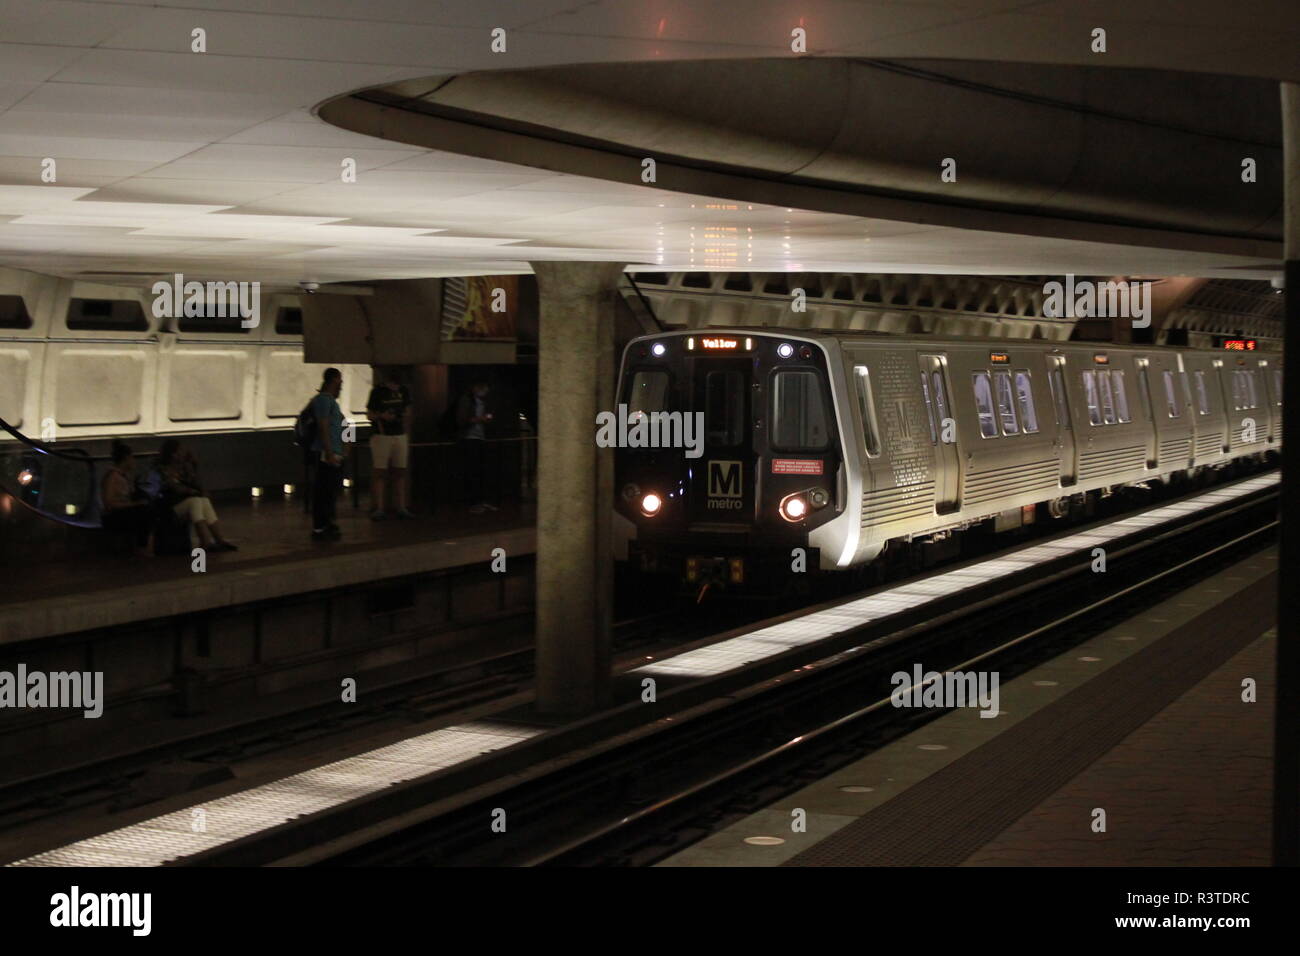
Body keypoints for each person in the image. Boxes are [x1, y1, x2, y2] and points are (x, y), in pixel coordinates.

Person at [156, 439, 236, 551]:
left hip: (184, 502)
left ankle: (219, 539)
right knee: (195, 501)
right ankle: (205, 540)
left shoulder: (183, 468)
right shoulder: (163, 469)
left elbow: (195, 483)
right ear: (173, 454)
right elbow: (174, 487)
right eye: (180, 451)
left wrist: (193, 467)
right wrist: (190, 491)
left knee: (203, 501)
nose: (183, 453)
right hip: (170, 506)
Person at [365, 367, 413, 520]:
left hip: (399, 434)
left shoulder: (404, 391)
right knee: (380, 472)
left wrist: (402, 414)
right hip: (382, 435)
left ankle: (401, 506)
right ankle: (379, 507)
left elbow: (408, 410)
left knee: (400, 471)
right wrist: (382, 416)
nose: (396, 388)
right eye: (393, 385)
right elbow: (369, 415)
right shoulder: (377, 392)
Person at [100, 441, 153, 556]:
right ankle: (142, 549)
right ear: (126, 458)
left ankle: (144, 548)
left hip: (123, 511)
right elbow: (108, 503)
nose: (133, 461)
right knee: (143, 513)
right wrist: (133, 504)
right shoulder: (113, 476)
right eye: (131, 457)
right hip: (113, 515)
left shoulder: (126, 477)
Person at [311, 367, 346, 540]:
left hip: (333, 452)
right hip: (327, 453)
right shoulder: (323, 401)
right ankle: (320, 525)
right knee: (324, 489)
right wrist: (329, 452)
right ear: (333, 381)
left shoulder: (331, 402)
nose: (341, 385)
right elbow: (323, 426)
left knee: (329, 489)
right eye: (340, 381)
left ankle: (326, 522)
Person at [456, 381, 497, 514]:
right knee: (472, 471)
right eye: (481, 388)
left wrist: (487, 420)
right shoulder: (466, 400)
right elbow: (462, 420)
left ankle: (481, 501)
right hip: (469, 439)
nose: (484, 391)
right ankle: (473, 503)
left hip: (481, 438)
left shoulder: (484, 402)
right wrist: (479, 419)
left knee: (482, 471)